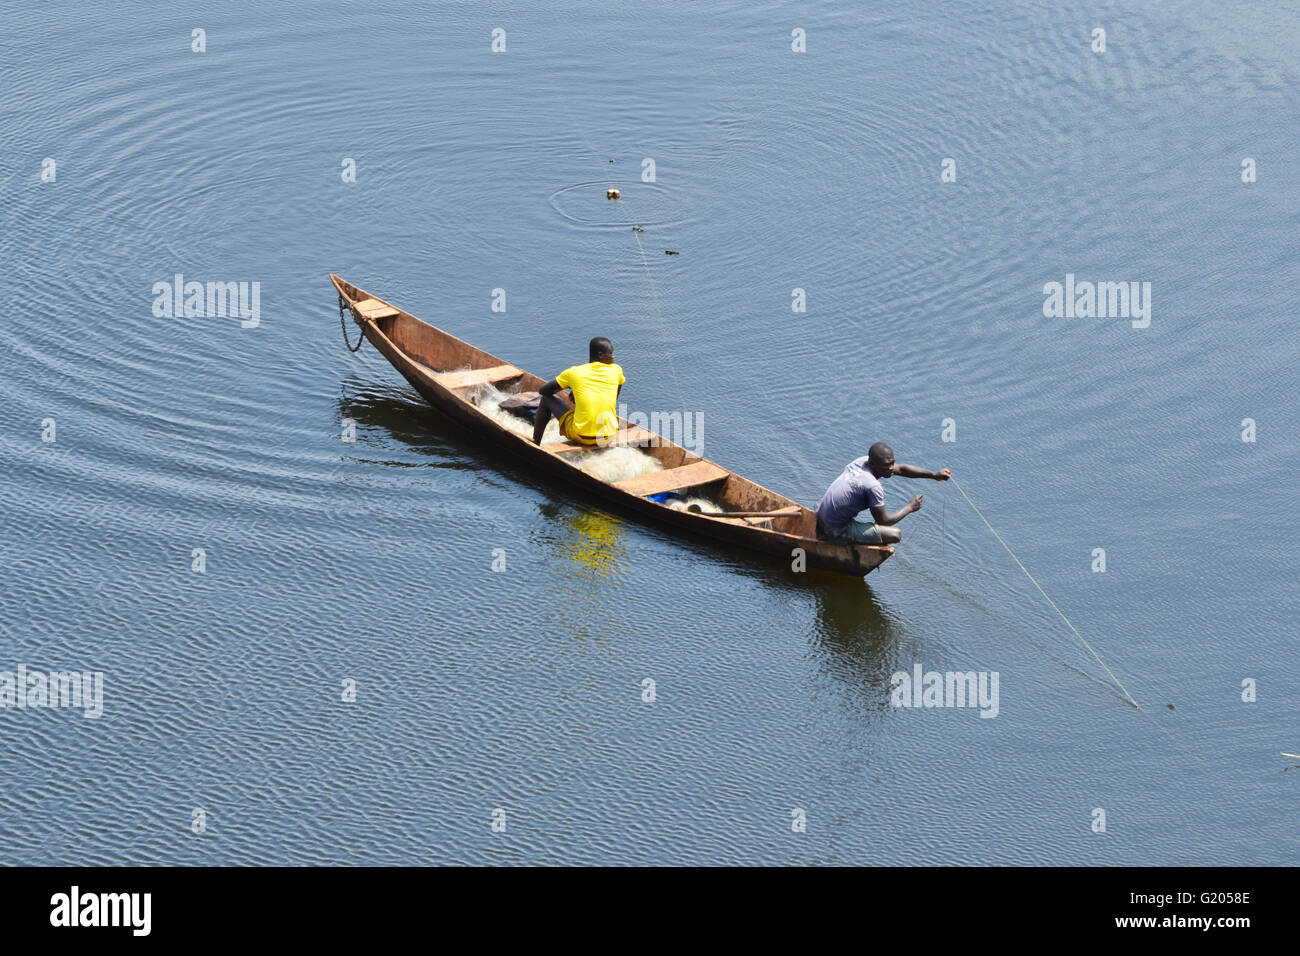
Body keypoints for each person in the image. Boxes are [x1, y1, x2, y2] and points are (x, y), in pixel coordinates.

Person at [814, 442, 949, 545]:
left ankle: (852, 533)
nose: (891, 468)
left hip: (819, 513)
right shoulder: (873, 485)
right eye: (887, 465)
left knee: (874, 524)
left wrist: (934, 475)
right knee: (895, 534)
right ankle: (842, 541)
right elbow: (884, 521)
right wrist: (910, 507)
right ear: (873, 463)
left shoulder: (860, 462)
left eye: (892, 463)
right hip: (833, 529)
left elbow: (902, 469)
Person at [532, 337, 625, 446]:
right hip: (609, 435)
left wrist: (573, 387)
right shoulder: (617, 370)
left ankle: (535, 443)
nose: (613, 357)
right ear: (600, 355)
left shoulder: (574, 372)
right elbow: (613, 397)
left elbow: (544, 391)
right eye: (610, 354)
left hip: (582, 435)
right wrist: (576, 390)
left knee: (545, 399)